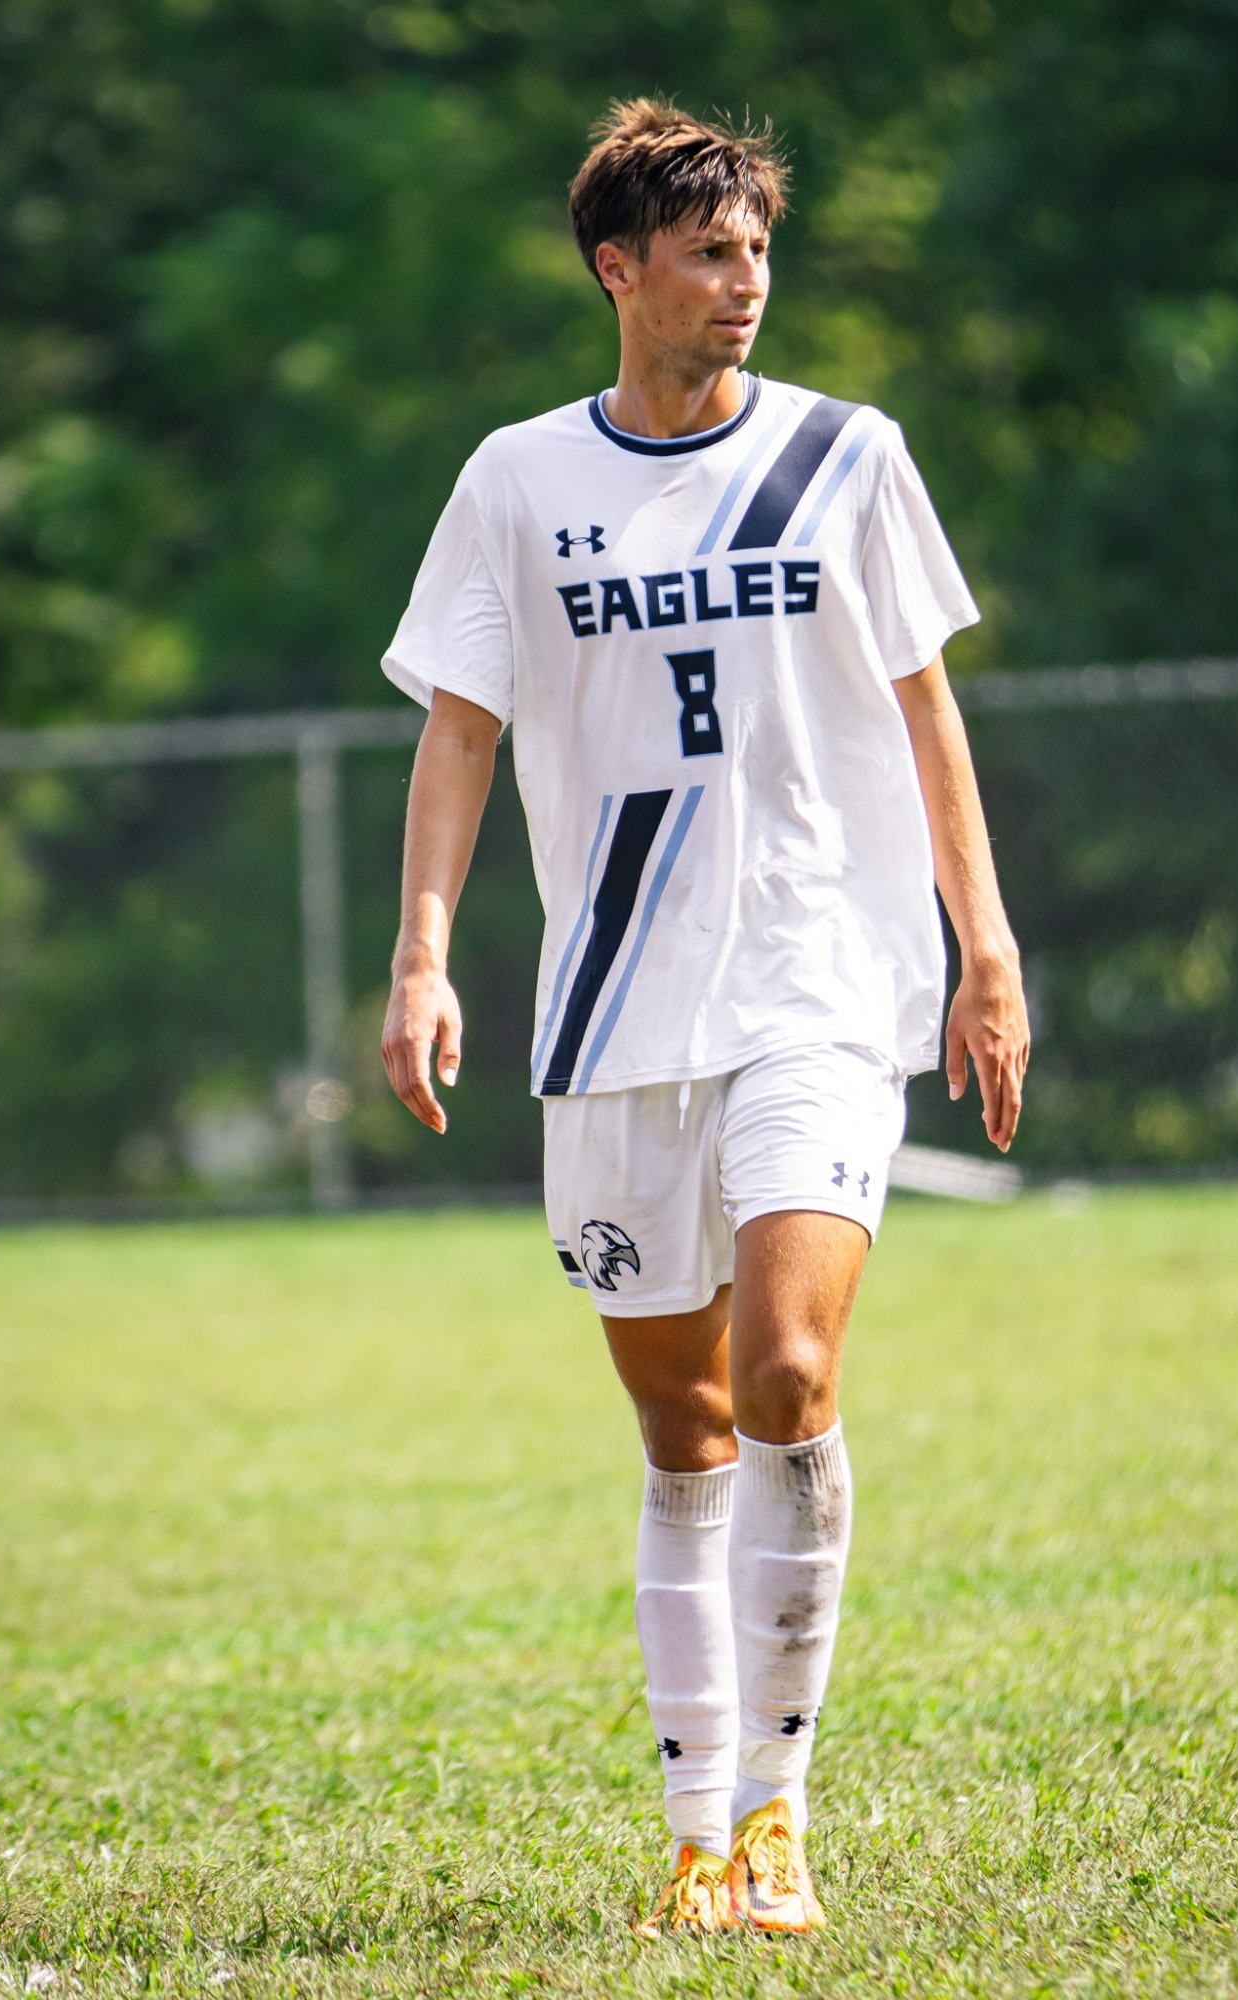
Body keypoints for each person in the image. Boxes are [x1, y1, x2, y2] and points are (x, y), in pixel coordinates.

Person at [379, 97, 1030, 1937]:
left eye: (759, 248)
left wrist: (983, 947)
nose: (747, 283)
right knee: (684, 1436)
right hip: (608, 1015)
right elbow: (459, 729)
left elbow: (927, 711)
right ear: (621, 269)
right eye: (710, 252)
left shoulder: (847, 455)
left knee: (789, 1378)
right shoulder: (517, 481)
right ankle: (688, 1836)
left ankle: (774, 1816)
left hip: (820, 982)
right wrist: (423, 954)